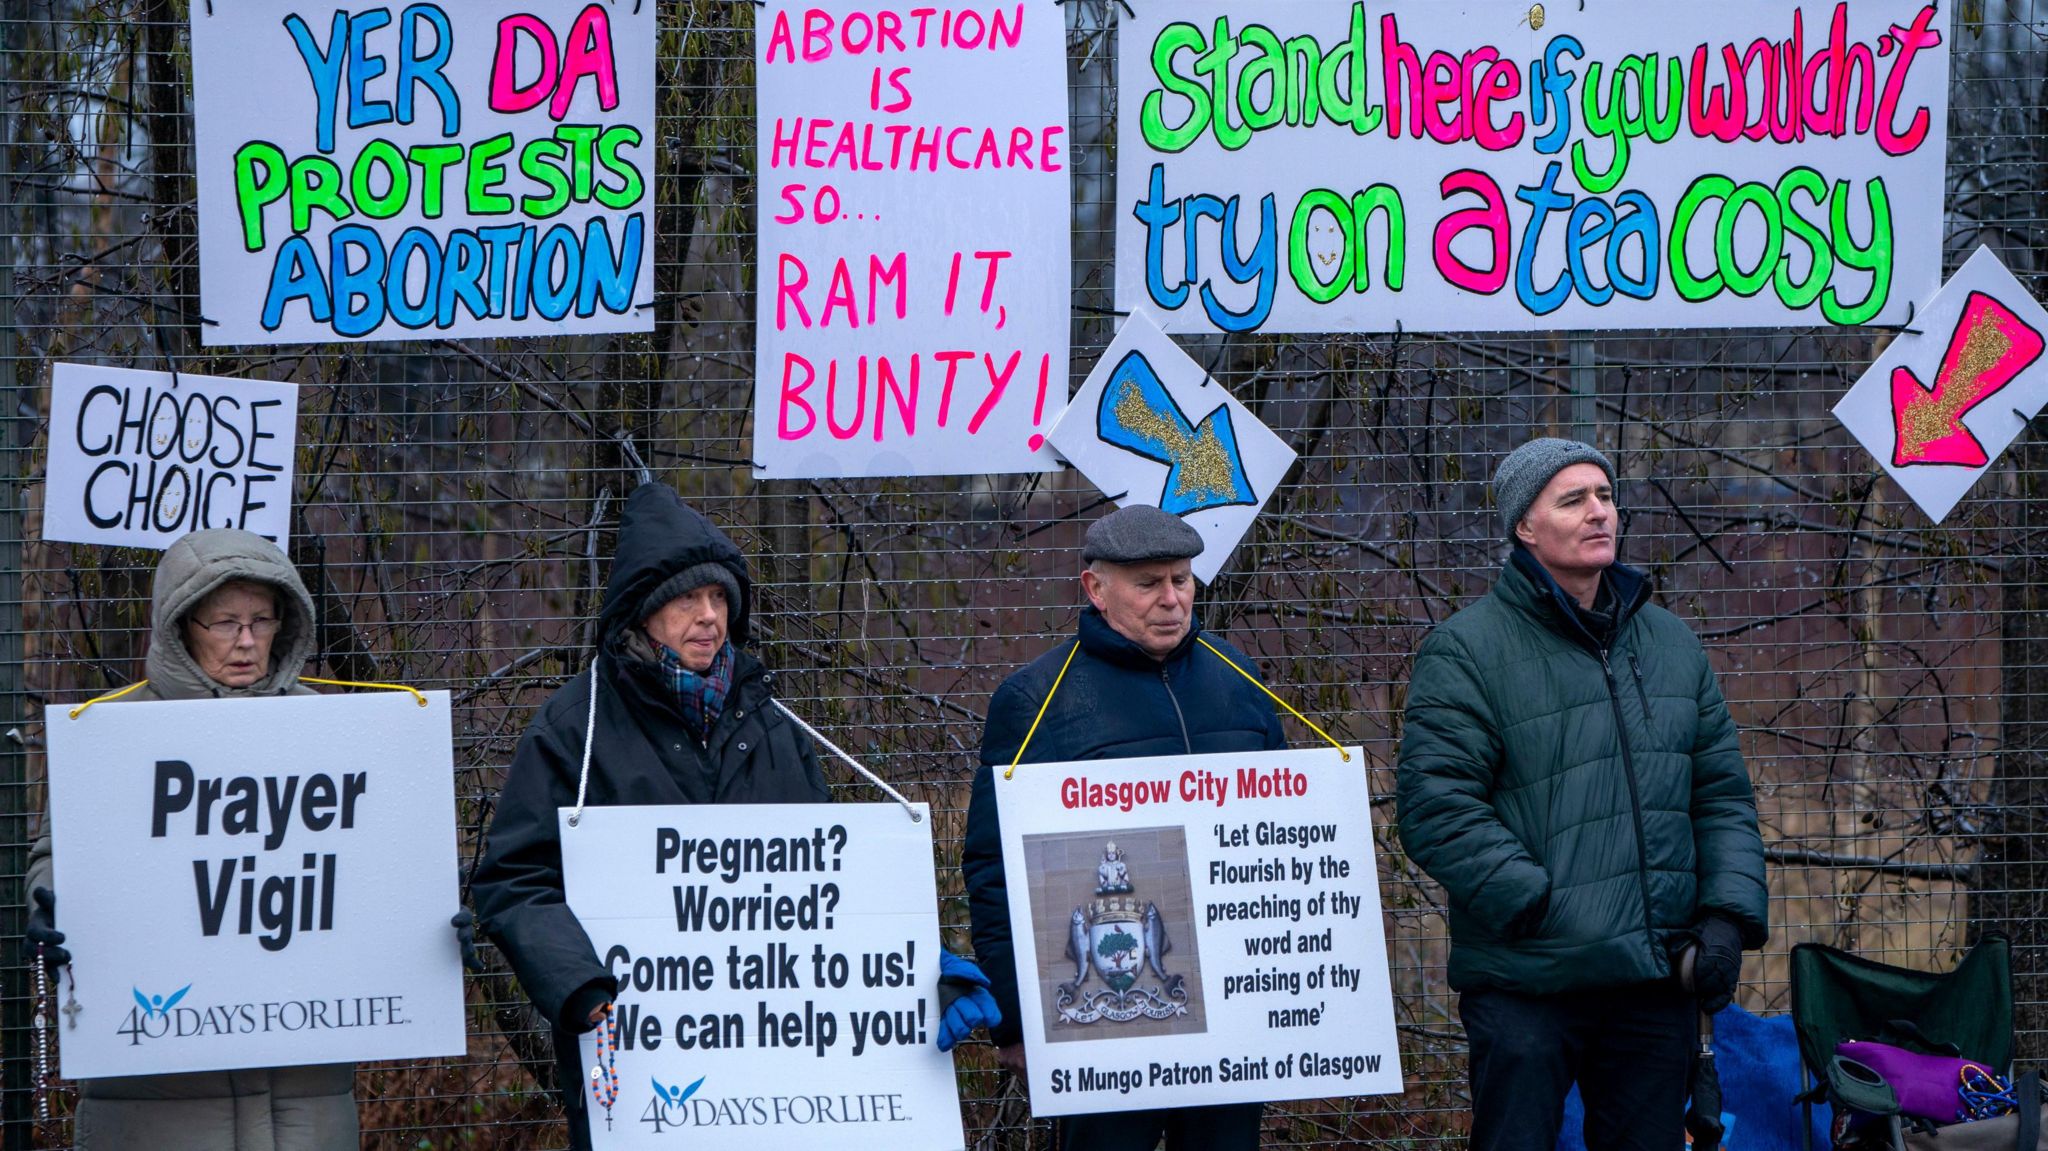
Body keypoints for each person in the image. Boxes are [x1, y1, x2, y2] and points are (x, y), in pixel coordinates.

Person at [472, 482, 999, 1150]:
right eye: (687, 598)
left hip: (773, 1072)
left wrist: (912, 974)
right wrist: (578, 983)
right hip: (637, 1068)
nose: (708, 616)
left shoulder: (773, 723)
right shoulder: (574, 728)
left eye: (719, 597)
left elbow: (828, 898)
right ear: (642, 611)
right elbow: (514, 879)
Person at [18, 528, 478, 1150]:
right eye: (225, 622)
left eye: (262, 621)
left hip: (305, 1105)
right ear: (181, 625)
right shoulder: (113, 735)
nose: (246, 640)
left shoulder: (341, 731)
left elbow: (379, 862)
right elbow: (57, 858)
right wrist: (51, 905)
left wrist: (432, 918)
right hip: (157, 1105)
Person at [1395, 438, 1768, 1151]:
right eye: (1574, 500)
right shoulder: (1468, 650)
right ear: (1524, 528)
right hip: (1527, 983)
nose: (1600, 512)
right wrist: (1538, 900)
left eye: (1605, 495)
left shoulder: (1671, 644)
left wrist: (1726, 915)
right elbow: (1436, 805)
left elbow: (1722, 794)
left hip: (1653, 981)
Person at [964, 504, 1285, 1151]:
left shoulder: (1241, 680)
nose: (1172, 599)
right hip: (1101, 1016)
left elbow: (1282, 835)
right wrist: (1016, 1019)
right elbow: (994, 866)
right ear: (1095, 588)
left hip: (1233, 1005)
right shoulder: (1038, 700)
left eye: (1182, 579)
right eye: (1149, 584)